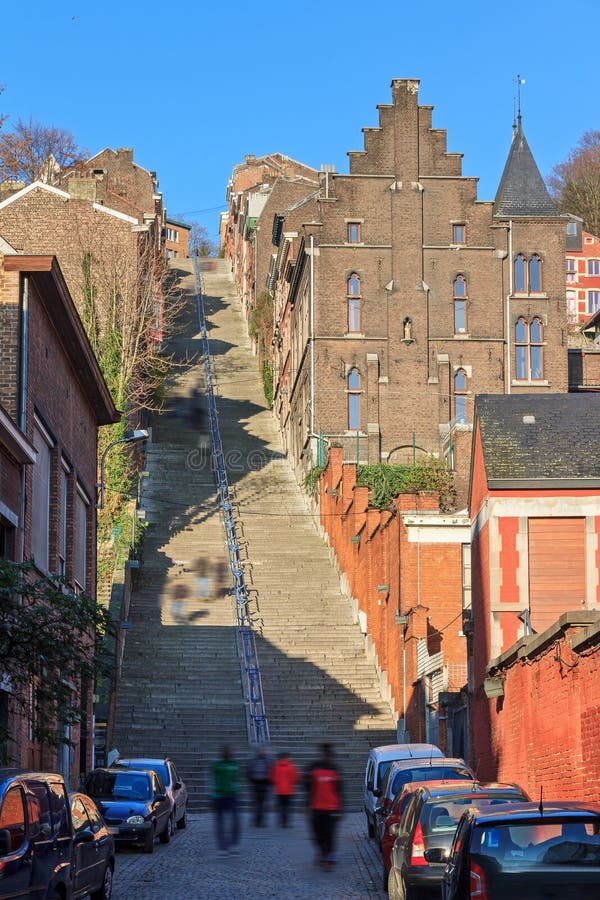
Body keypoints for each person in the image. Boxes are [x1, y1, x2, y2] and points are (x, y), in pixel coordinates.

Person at [305, 742, 344, 869]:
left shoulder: (335, 770)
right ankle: (322, 852)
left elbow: (340, 790)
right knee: (317, 833)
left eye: (329, 756)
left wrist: (340, 809)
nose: (327, 758)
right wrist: (306, 805)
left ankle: (328, 856)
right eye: (325, 756)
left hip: (331, 808)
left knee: (330, 833)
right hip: (316, 807)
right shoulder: (313, 769)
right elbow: (308, 788)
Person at [211, 745, 240, 855]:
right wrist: (212, 795)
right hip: (219, 796)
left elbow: (237, 778)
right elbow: (211, 780)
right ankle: (222, 846)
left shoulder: (234, 764)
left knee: (235, 821)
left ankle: (232, 845)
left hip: (232, 795)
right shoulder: (217, 765)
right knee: (220, 822)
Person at [270, 751, 299, 828]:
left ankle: (281, 821)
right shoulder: (291, 767)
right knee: (287, 807)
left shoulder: (275, 766)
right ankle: (286, 822)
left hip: (279, 790)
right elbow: (294, 779)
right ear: (286, 757)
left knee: (281, 806)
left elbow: (273, 779)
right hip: (289, 790)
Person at [246, 745, 272, 827]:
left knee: (259, 803)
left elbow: (249, 771)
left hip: (260, 784)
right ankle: (259, 821)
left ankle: (258, 820)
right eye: (263, 750)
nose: (264, 752)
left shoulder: (254, 760)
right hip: (260, 784)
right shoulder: (267, 761)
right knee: (260, 804)